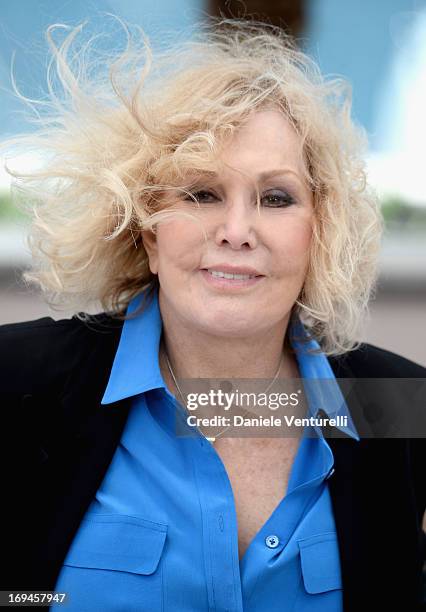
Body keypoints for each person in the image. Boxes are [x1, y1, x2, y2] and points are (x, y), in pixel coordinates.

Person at [1, 16, 425, 612]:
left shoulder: (402, 404)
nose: (236, 231)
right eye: (200, 193)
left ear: (319, 231)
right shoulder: (17, 384)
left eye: (276, 198)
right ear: (146, 228)